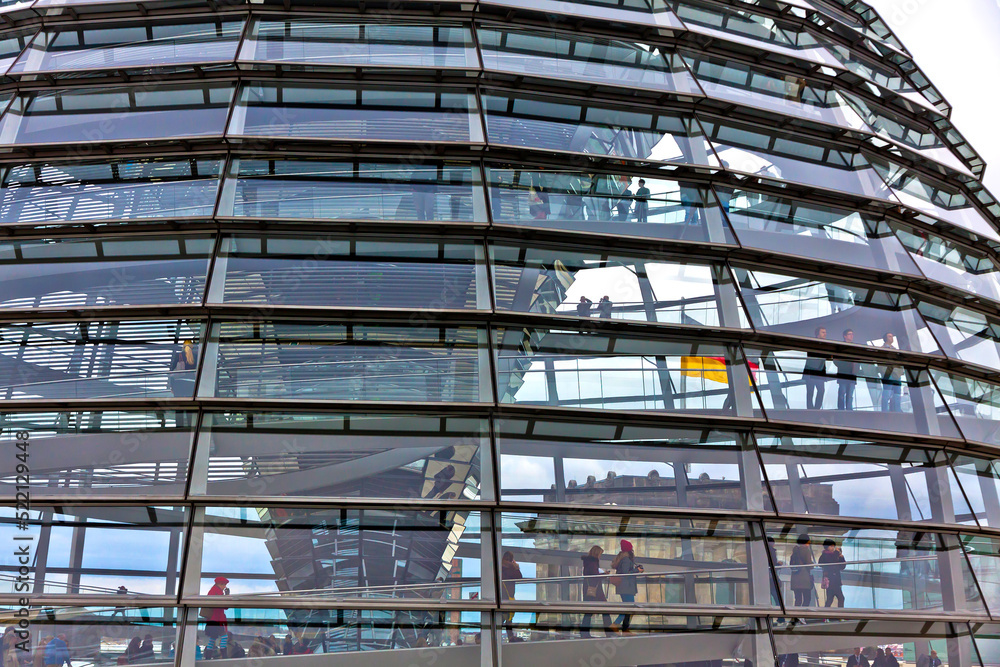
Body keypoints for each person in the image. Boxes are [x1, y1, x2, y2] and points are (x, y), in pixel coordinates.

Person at [611, 539, 643, 633]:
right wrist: (637, 570)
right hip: (626, 587)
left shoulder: (623, 559)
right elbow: (626, 573)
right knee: (629, 608)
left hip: (625, 587)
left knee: (629, 608)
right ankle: (616, 624)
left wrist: (635, 569)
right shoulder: (625, 559)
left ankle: (625, 629)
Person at [580, 545, 612, 638]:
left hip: (589, 590)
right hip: (595, 591)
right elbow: (595, 575)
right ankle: (609, 633)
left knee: (589, 612)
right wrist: (604, 574)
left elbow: (592, 574)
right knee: (605, 610)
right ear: (597, 553)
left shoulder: (588, 562)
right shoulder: (592, 562)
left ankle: (584, 633)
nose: (600, 556)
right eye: (600, 554)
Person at [169, 340, 198, 427]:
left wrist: (172, 386)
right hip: (191, 385)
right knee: (190, 408)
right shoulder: (196, 356)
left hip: (179, 386)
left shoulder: (178, 355)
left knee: (179, 409)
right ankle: (190, 427)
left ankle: (179, 428)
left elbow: (171, 373)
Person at [204, 576, 230, 659]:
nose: (225, 586)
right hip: (216, 620)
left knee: (212, 638)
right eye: (224, 584)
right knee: (224, 636)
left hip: (212, 620)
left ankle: (208, 657)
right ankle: (224, 656)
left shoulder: (214, 591)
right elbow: (224, 606)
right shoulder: (216, 592)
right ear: (219, 584)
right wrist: (227, 596)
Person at [804, 327, 829, 409]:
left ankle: (817, 409)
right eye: (823, 332)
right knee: (810, 392)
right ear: (817, 334)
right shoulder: (812, 343)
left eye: (825, 332)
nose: (825, 334)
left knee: (821, 390)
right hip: (811, 371)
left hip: (820, 371)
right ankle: (810, 409)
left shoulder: (826, 344)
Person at [500, 552, 523, 642]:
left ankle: (492, 635)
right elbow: (519, 577)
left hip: (501, 594)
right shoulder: (513, 567)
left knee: (502, 617)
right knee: (509, 619)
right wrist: (516, 566)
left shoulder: (499, 566)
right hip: (510, 595)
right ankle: (510, 637)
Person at [818, 539, 846, 608]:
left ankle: (824, 616)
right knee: (840, 598)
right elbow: (829, 562)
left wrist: (841, 558)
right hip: (831, 580)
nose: (833, 548)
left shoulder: (834, 555)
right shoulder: (825, 555)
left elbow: (842, 567)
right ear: (827, 547)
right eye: (831, 546)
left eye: (833, 546)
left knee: (830, 599)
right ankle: (839, 615)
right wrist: (836, 553)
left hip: (835, 580)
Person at [789, 533, 815, 607]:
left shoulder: (795, 551)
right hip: (804, 580)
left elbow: (791, 565)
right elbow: (809, 564)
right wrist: (812, 564)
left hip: (795, 579)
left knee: (798, 600)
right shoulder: (806, 551)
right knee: (807, 599)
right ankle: (803, 616)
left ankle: (795, 617)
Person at [879, 333, 903, 412]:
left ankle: (897, 410)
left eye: (892, 336)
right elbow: (880, 362)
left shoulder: (895, 349)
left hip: (897, 375)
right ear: (885, 338)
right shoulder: (882, 349)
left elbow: (899, 362)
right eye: (889, 336)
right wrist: (885, 372)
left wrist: (900, 372)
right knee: (886, 394)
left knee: (897, 394)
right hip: (888, 374)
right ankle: (885, 411)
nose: (892, 338)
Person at [835, 330, 858, 411]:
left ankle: (849, 410)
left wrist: (856, 370)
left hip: (852, 374)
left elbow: (858, 360)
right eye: (849, 334)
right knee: (842, 392)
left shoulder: (855, 347)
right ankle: (841, 409)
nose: (851, 336)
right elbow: (836, 360)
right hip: (843, 373)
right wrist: (844, 365)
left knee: (850, 394)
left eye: (852, 334)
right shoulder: (840, 346)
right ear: (844, 336)